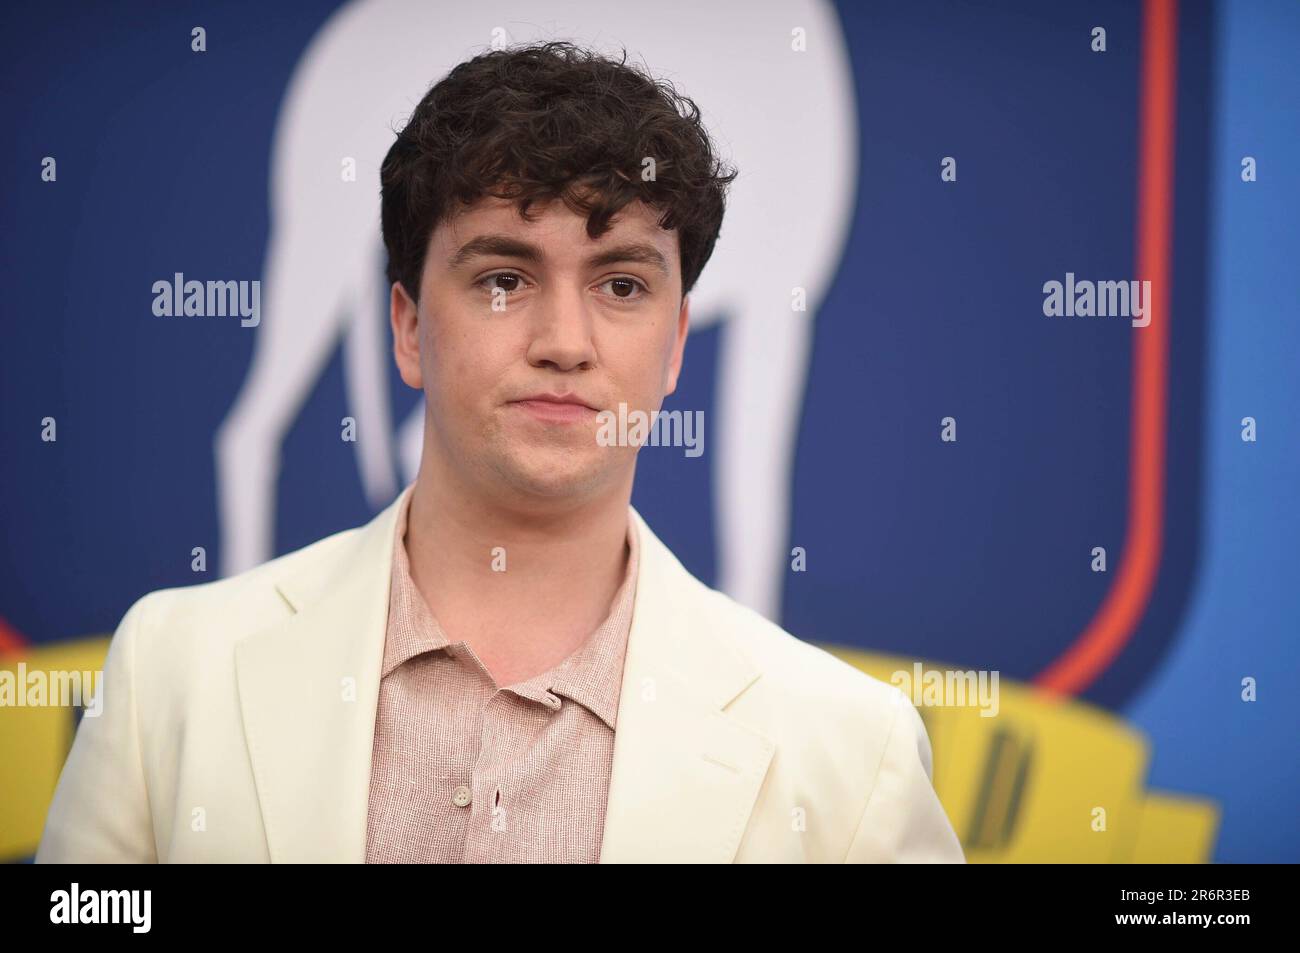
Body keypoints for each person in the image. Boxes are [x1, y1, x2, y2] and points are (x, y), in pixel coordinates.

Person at [37, 41, 963, 863]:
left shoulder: (848, 751)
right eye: (504, 279)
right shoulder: (173, 672)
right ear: (407, 327)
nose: (564, 339)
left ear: (677, 345)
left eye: (623, 284)